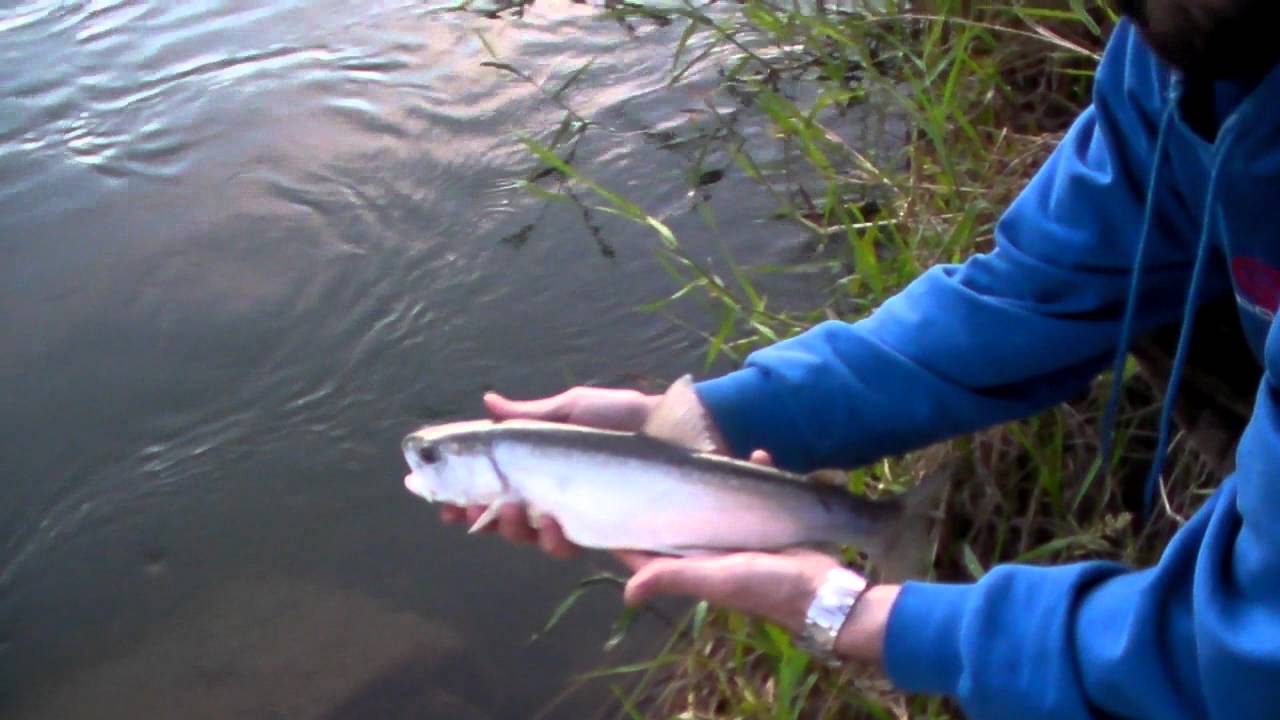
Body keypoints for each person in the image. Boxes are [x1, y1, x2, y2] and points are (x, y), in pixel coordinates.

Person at [442, 2, 1280, 717]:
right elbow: (1032, 295)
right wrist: (720, 423)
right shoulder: (1177, 57)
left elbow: (1248, 652)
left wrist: (858, 618)